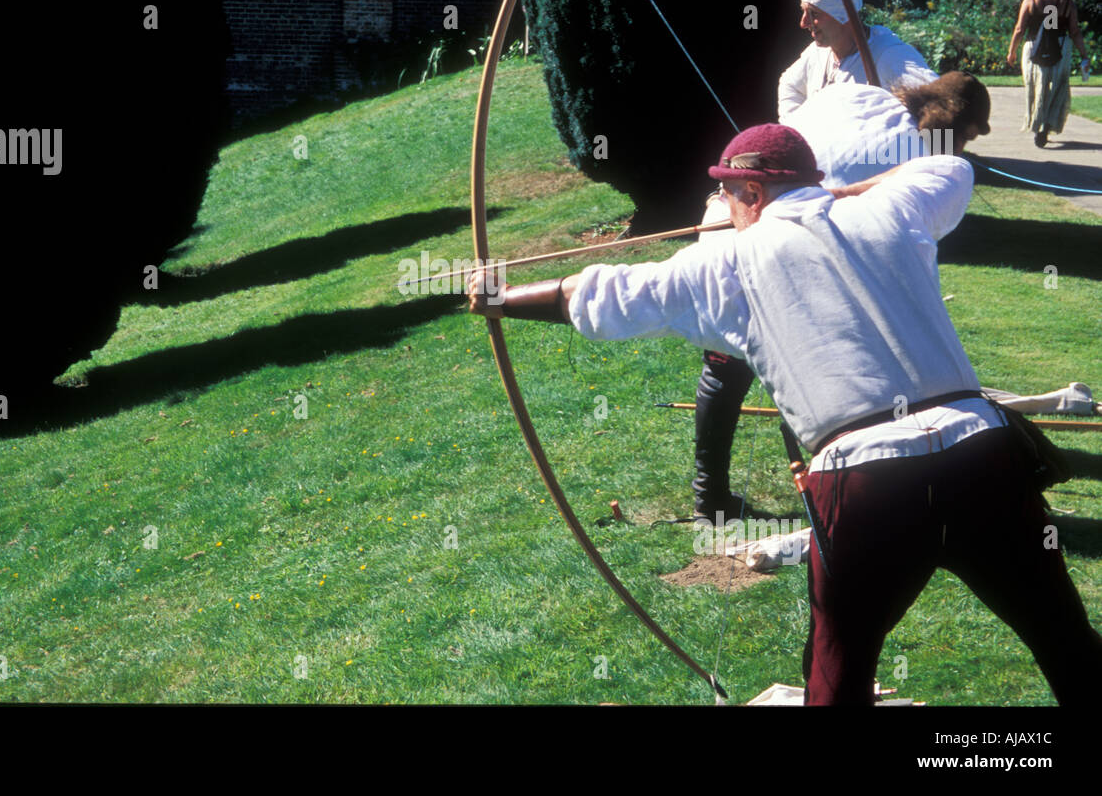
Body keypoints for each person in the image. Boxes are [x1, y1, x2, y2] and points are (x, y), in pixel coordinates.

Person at [468, 124, 1102, 705]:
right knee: (1069, 646)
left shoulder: (726, 261)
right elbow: (948, 169)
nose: (725, 210)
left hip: (865, 483)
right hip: (984, 456)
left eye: (728, 195)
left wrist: (498, 297)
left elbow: (599, 294)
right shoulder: (891, 209)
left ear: (751, 189)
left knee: (837, 680)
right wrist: (849, 190)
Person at [688, 73, 990, 523]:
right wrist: (839, 194)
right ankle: (849, 494)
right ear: (955, 126)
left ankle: (713, 499)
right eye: (966, 136)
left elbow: (784, 133)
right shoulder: (921, 148)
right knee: (813, 367)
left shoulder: (863, 95)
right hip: (762, 229)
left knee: (731, 366)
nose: (963, 147)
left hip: (738, 208)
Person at [778, 0, 937, 120]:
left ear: (843, 15)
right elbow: (789, 85)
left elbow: (938, 104)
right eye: (803, 11)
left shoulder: (889, 56)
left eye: (813, 13)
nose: (803, 22)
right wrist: (797, 129)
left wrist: (942, 147)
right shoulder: (817, 53)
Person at [1006, 0, 1090, 147]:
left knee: (1036, 86)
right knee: (1056, 88)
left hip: (1034, 47)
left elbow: (1020, 28)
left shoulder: (1031, 0)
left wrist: (1012, 51)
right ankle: (1047, 126)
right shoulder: (1068, 4)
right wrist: (1084, 55)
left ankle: (1035, 123)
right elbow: (1075, 32)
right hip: (1060, 48)